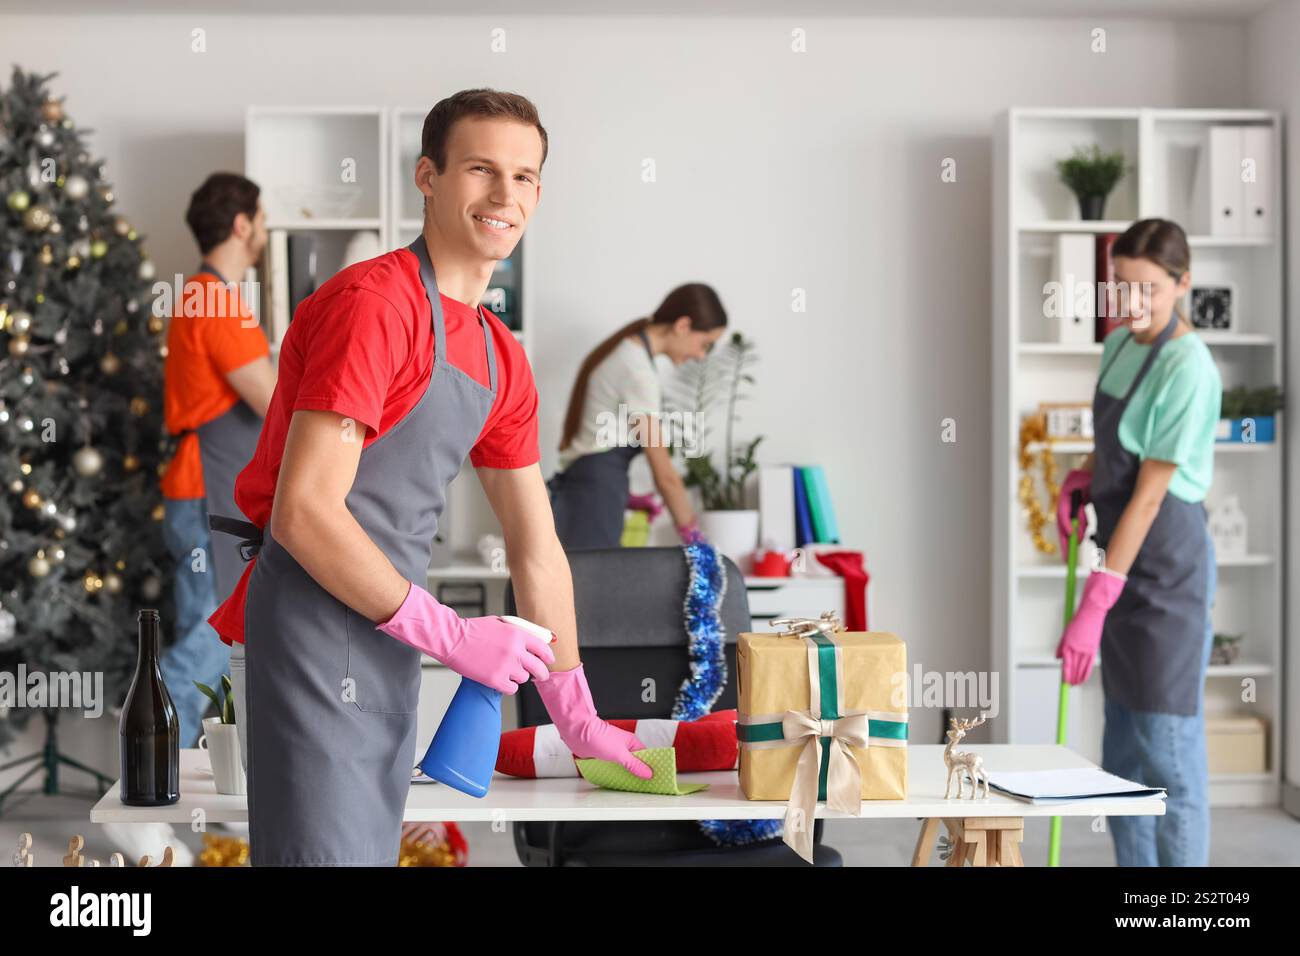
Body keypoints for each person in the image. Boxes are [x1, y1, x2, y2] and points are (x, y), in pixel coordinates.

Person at [206, 88, 652, 867]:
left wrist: (574, 710)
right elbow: (304, 513)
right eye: (480, 169)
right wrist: (450, 634)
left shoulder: (500, 354)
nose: (503, 195)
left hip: (387, 632)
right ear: (429, 177)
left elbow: (536, 546)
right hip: (314, 623)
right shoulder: (372, 307)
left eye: (523, 176)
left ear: (539, 193)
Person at [1054, 217, 1222, 867]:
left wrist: (1095, 602)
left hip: (1165, 575)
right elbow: (1119, 457)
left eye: (1147, 289)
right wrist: (1083, 480)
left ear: (1183, 283)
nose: (1131, 303)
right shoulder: (1120, 344)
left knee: (1169, 760)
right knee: (1122, 756)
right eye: (1120, 286)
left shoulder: (1190, 367)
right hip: (1122, 561)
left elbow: (1151, 494)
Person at [158, 173, 275, 751]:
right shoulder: (217, 303)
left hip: (202, 490)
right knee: (208, 639)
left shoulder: (201, 298)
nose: (265, 230)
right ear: (241, 224)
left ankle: (217, 787)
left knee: (220, 642)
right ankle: (143, 779)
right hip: (208, 492)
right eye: (261, 218)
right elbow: (274, 402)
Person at [548, 285, 727, 549]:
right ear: (683, 325)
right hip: (594, 496)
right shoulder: (638, 371)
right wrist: (696, 541)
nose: (701, 355)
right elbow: (665, 476)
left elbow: (596, 444)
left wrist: (624, 497)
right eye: (705, 344)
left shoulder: (627, 353)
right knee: (591, 587)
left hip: (591, 491)